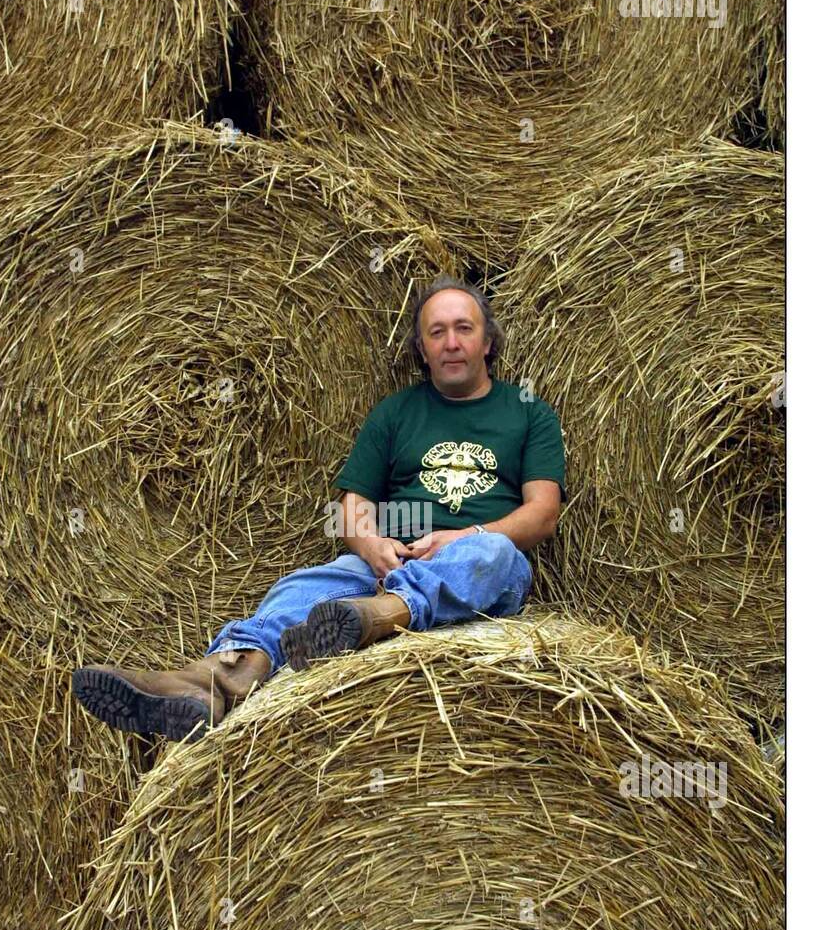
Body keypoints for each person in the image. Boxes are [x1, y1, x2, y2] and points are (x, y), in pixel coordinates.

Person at [72, 274, 566, 741]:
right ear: (422, 348)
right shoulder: (396, 412)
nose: (451, 342)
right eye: (437, 332)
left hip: (475, 560)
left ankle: (379, 616)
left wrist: (464, 536)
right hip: (388, 566)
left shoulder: (527, 412)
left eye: (464, 328)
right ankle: (214, 681)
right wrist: (371, 546)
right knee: (304, 585)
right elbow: (354, 505)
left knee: (495, 555)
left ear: (487, 341)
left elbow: (542, 512)